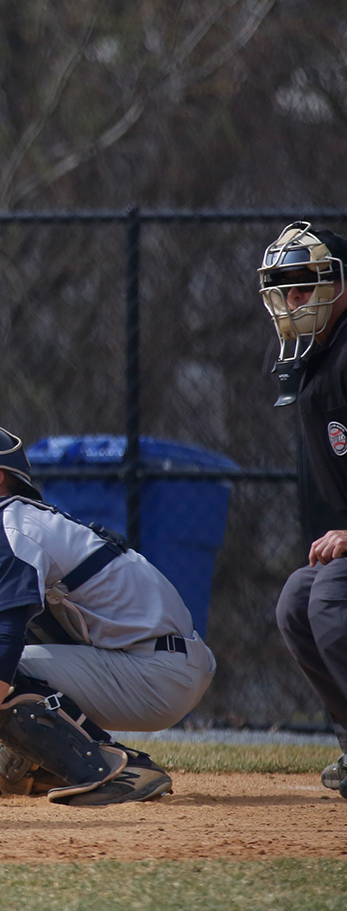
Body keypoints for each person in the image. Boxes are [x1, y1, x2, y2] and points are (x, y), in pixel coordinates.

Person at [0, 417, 215, 805]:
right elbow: (31, 630)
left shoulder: (8, 531)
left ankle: (118, 767)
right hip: (157, 660)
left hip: (156, 671)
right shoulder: (12, 522)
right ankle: (39, 766)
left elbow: (5, 639)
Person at [259, 222, 347, 798]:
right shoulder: (316, 358)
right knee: (298, 598)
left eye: (307, 286)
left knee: (332, 599)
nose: (295, 302)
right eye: (286, 290)